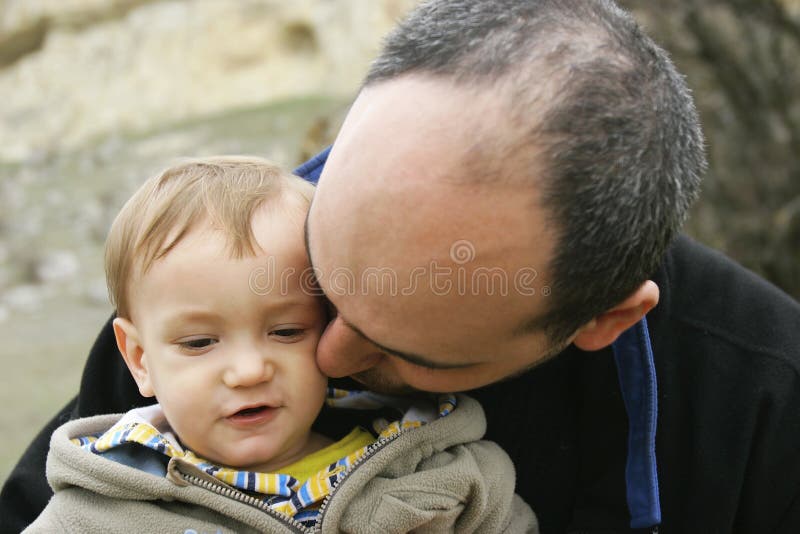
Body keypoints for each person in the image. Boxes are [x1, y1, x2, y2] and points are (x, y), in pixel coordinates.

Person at [3, 0, 799, 532]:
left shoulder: (768, 409)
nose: (326, 355)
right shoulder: (215, 278)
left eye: (411, 354)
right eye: (321, 291)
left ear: (603, 320)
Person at [21, 156, 536, 533]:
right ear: (139, 358)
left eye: (286, 331)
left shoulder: (434, 469)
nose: (248, 371)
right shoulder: (98, 513)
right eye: (200, 342)